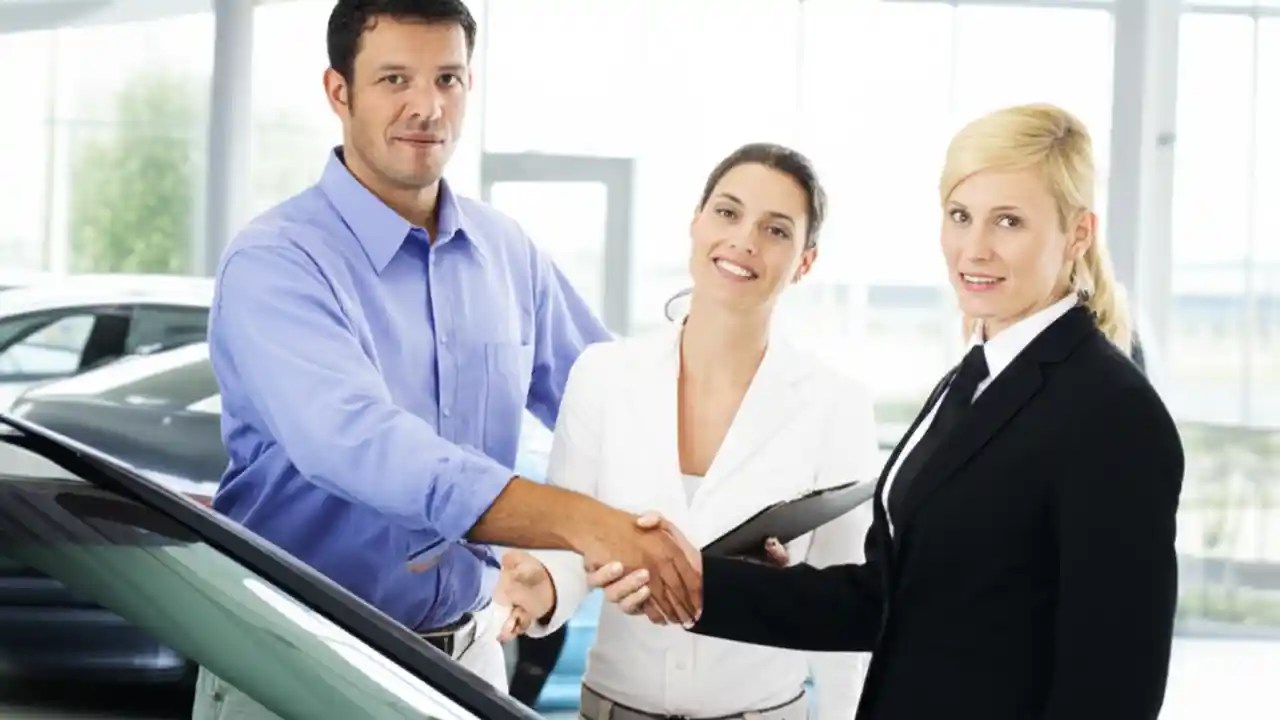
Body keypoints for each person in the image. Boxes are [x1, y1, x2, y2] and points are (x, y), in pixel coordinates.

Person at [598, 104, 1186, 720]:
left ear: (1078, 235)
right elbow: (885, 597)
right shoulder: (974, 380)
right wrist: (698, 584)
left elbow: (1114, 685)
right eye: (960, 217)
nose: (975, 248)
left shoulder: (1112, 414)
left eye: (1008, 222)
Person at [193, 1, 700, 715]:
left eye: (448, 79)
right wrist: (581, 521)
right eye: (395, 79)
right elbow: (362, 446)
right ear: (339, 92)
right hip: (298, 667)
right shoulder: (276, 261)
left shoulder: (508, 253)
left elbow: (613, 408)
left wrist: (722, 525)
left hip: (468, 663)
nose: (426, 107)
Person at [494, 143, 880, 719]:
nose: (744, 239)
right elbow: (572, 548)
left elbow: (845, 608)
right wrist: (539, 584)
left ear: (805, 261)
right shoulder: (604, 375)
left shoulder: (836, 404)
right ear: (695, 223)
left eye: (776, 230)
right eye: (728, 213)